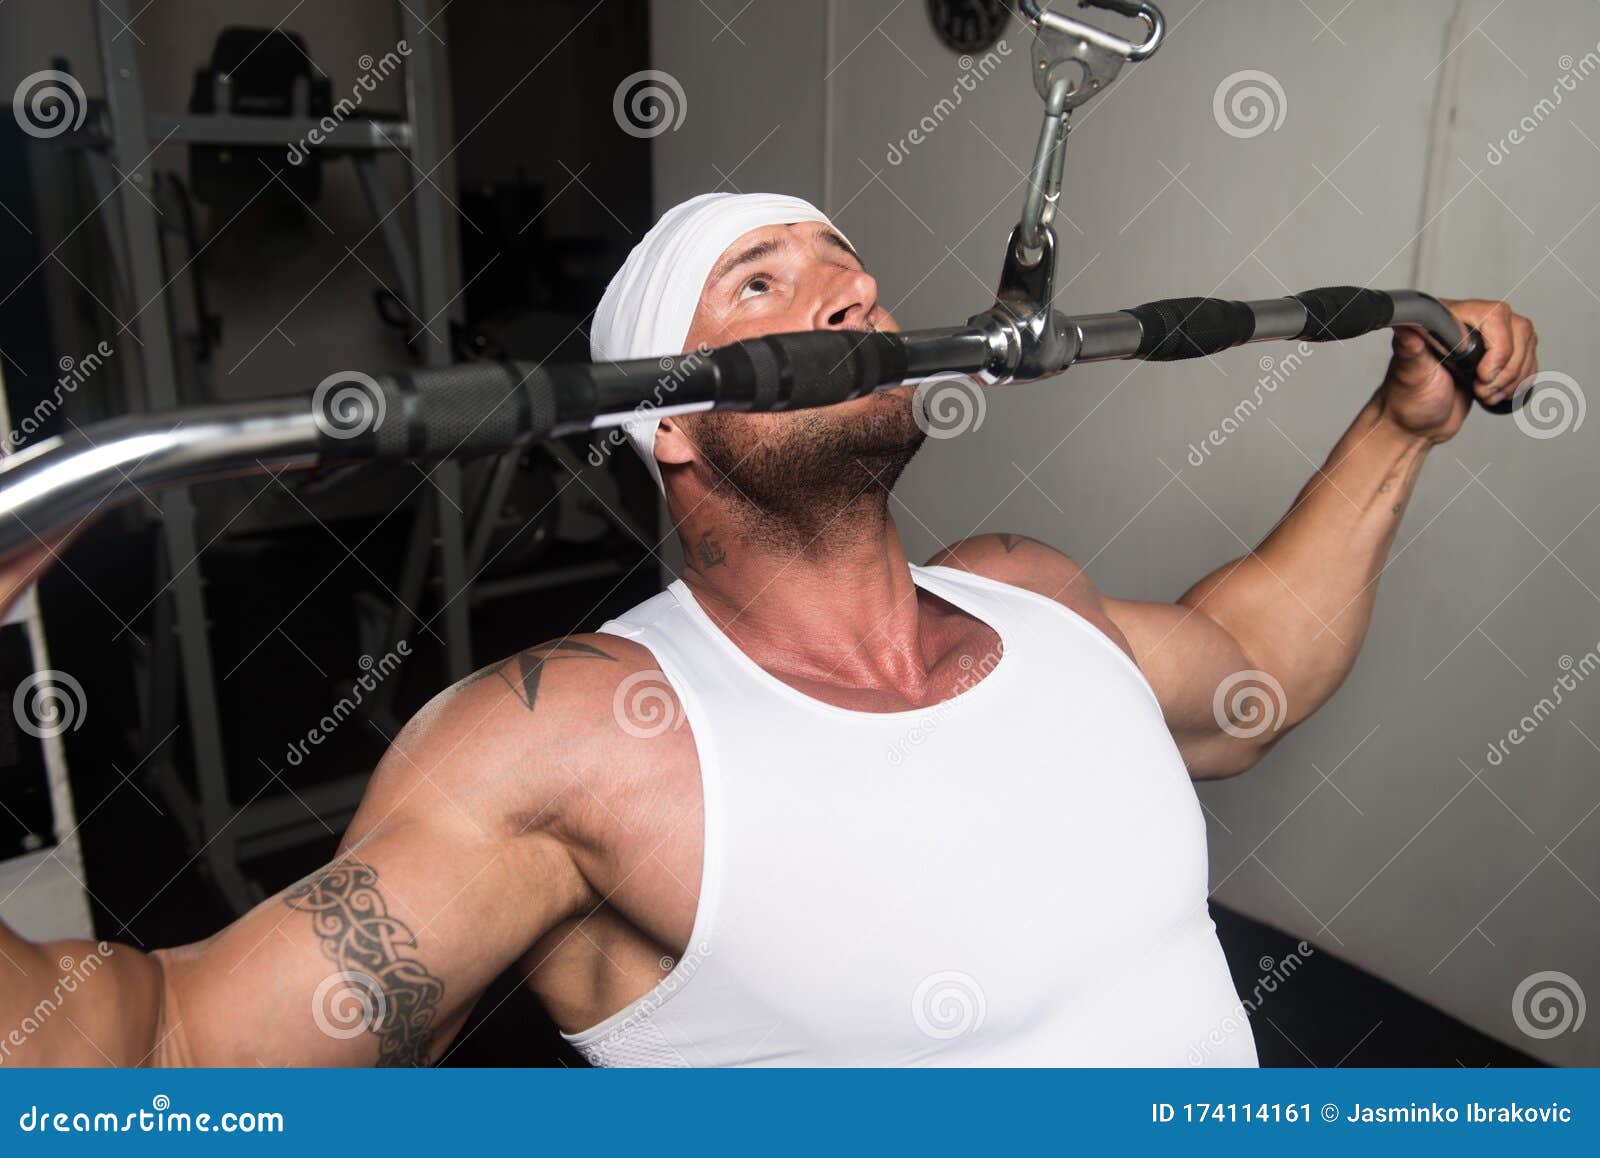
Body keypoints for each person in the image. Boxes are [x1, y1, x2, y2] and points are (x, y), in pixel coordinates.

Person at [0, 191, 1538, 1067]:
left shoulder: (1033, 593)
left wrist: (1400, 427)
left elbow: (1249, 668)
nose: (854, 294)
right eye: (766, 279)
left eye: (853, 276)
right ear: (668, 422)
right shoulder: (575, 741)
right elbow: (147, 1056)